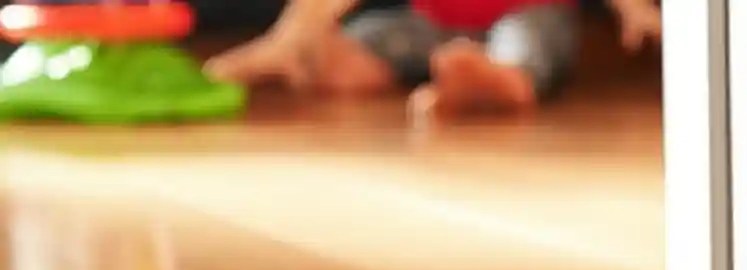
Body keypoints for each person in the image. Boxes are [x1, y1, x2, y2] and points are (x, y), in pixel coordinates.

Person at [205, 0, 662, 116]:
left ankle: (503, 79)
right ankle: (343, 60)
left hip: (528, 10)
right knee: (375, 33)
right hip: (434, 21)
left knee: (530, 39)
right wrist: (292, 36)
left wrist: (634, 10)